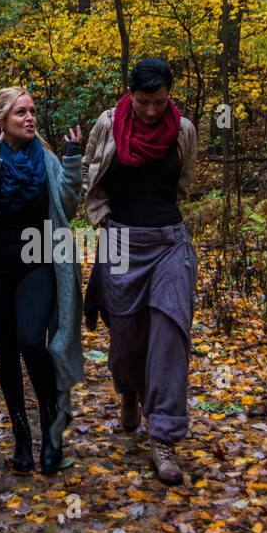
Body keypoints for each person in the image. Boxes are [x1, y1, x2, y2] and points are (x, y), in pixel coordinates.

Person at [82, 58, 198, 486]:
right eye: (144, 101)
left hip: (169, 242)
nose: (152, 110)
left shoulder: (183, 129)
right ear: (130, 94)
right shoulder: (108, 125)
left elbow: (184, 179)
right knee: (127, 339)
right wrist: (103, 220)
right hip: (121, 243)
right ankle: (129, 390)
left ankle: (164, 437)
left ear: (170, 96)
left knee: (169, 334)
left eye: (160, 101)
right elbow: (89, 170)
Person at [0, 87, 84, 475]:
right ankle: (21, 436)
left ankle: (52, 429)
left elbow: (67, 207)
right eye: (21, 112)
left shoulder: (47, 159)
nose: (30, 118)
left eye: (33, 111)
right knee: (4, 351)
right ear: (2, 120)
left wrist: (72, 159)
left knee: (31, 340)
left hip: (38, 264)